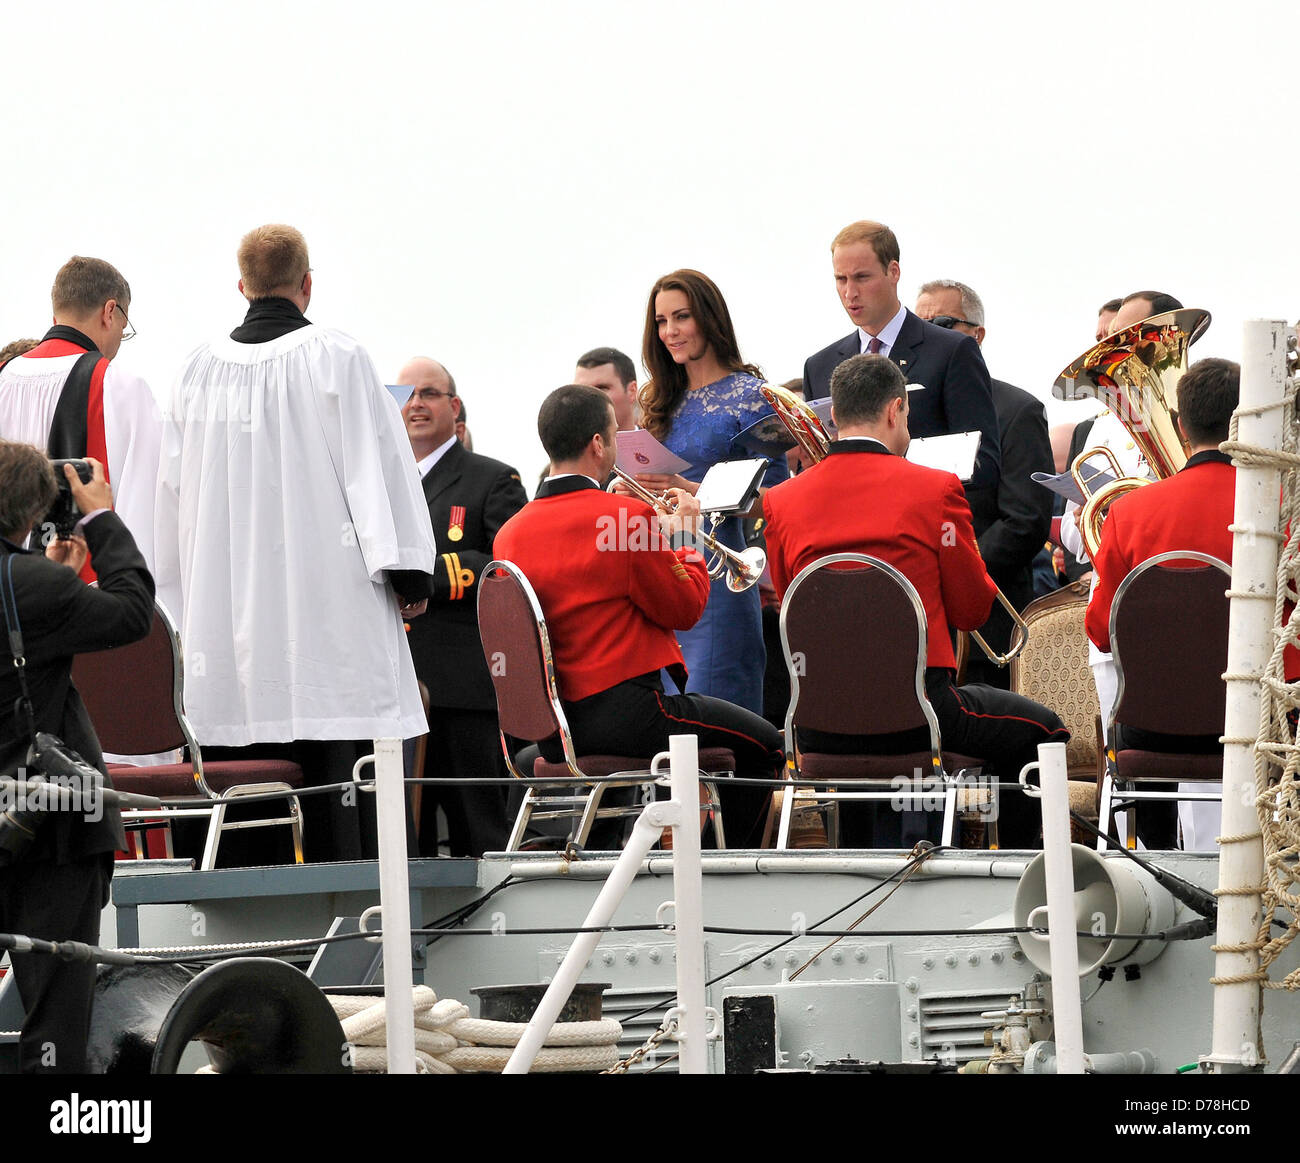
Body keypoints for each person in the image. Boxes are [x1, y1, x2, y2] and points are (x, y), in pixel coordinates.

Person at [154, 224, 437, 862]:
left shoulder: (193, 373)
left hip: (223, 633)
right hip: (327, 627)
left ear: (241, 286)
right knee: (342, 779)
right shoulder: (337, 357)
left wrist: (177, 602)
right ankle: (364, 911)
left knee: (242, 779)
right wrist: (408, 577)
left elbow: (169, 500)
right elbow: (380, 473)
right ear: (307, 285)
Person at [763, 355, 1069, 848]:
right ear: (896, 410)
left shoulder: (782, 500)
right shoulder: (936, 488)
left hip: (818, 725)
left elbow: (788, 604)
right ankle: (1014, 876)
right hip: (920, 713)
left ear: (835, 416)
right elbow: (972, 611)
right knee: (1044, 731)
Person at [493, 384, 784, 847]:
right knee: (767, 743)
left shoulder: (510, 534)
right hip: (631, 717)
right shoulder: (626, 517)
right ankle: (727, 873)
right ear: (597, 445)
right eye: (614, 434)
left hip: (552, 727)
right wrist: (686, 536)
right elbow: (685, 609)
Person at [0, 445, 153, 1072]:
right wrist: (102, 519)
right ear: (37, 506)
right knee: (56, 1011)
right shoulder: (34, 584)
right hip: (45, 821)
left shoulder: (32, 581)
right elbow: (131, 612)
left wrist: (48, 572)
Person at [1085, 358, 1240, 850]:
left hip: (1155, 730)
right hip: (1252, 722)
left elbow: (1100, 631)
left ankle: (1151, 859)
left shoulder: (1129, 511)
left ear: (1179, 426)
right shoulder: (1282, 502)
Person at [628, 269, 788, 714]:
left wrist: (687, 489)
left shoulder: (752, 395)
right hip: (661, 570)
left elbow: (775, 496)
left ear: (710, 318)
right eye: (661, 322)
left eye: (681, 317)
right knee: (665, 722)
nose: (670, 332)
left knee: (714, 719)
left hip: (721, 577)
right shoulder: (657, 398)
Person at [397, 356, 527, 856]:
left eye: (429, 393)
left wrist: (426, 578)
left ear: (454, 406)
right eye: (406, 395)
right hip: (396, 685)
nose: (416, 404)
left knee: (480, 834)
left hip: (462, 685)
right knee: (408, 838)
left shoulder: (491, 479)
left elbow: (505, 564)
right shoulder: (375, 486)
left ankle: (498, 931)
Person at [801, 220, 1000, 531]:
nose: (850, 292)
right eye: (841, 279)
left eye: (862, 277)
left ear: (893, 271)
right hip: (845, 537)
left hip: (922, 530)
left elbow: (983, 461)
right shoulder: (819, 366)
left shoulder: (952, 351)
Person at [914, 279, 1053, 688]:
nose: (930, 336)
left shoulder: (1018, 410)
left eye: (942, 322)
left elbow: (1025, 520)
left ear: (978, 335)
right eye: (920, 327)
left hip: (989, 624)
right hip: (918, 620)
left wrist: (952, 570)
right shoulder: (905, 412)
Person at [0, 257, 161, 573]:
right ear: (110, 312)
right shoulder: (120, 386)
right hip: (84, 595)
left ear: (56, 314)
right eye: (123, 330)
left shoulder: (3, 377)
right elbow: (145, 507)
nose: (118, 342)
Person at [574, 346, 639, 431]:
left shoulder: (657, 443)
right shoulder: (559, 444)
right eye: (581, 391)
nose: (589, 399)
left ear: (632, 391)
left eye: (601, 388)